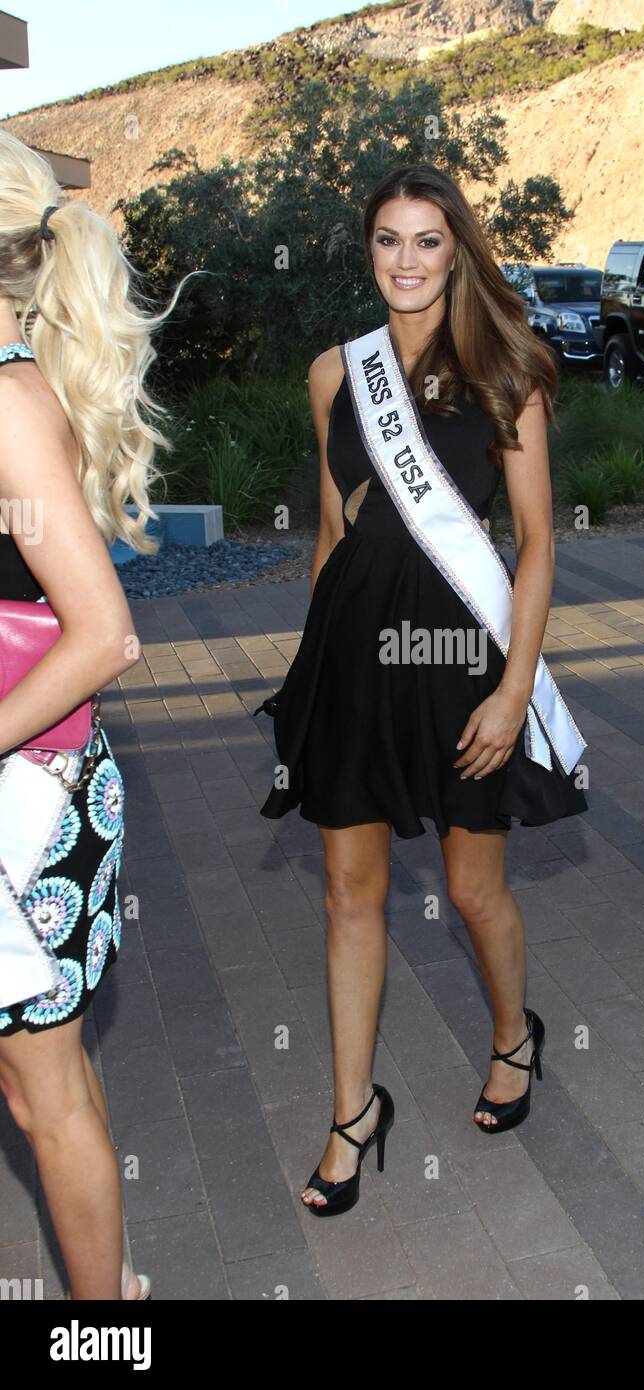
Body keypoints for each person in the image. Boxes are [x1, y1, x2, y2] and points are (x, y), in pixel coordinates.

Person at [259, 163, 589, 1217]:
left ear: (457, 250)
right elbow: (330, 530)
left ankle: (512, 1035)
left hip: (460, 664)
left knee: (473, 890)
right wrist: (310, 677)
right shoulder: (332, 373)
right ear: (369, 252)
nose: (404, 261)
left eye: (426, 242)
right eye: (387, 242)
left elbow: (535, 544)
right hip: (353, 659)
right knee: (347, 896)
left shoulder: (508, 371)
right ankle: (352, 1112)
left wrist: (512, 689)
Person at [0, 130, 183, 1298]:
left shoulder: (8, 403)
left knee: (44, 1090)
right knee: (40, 1081)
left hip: (28, 795)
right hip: (40, 782)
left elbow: (106, 631)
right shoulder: (19, 387)